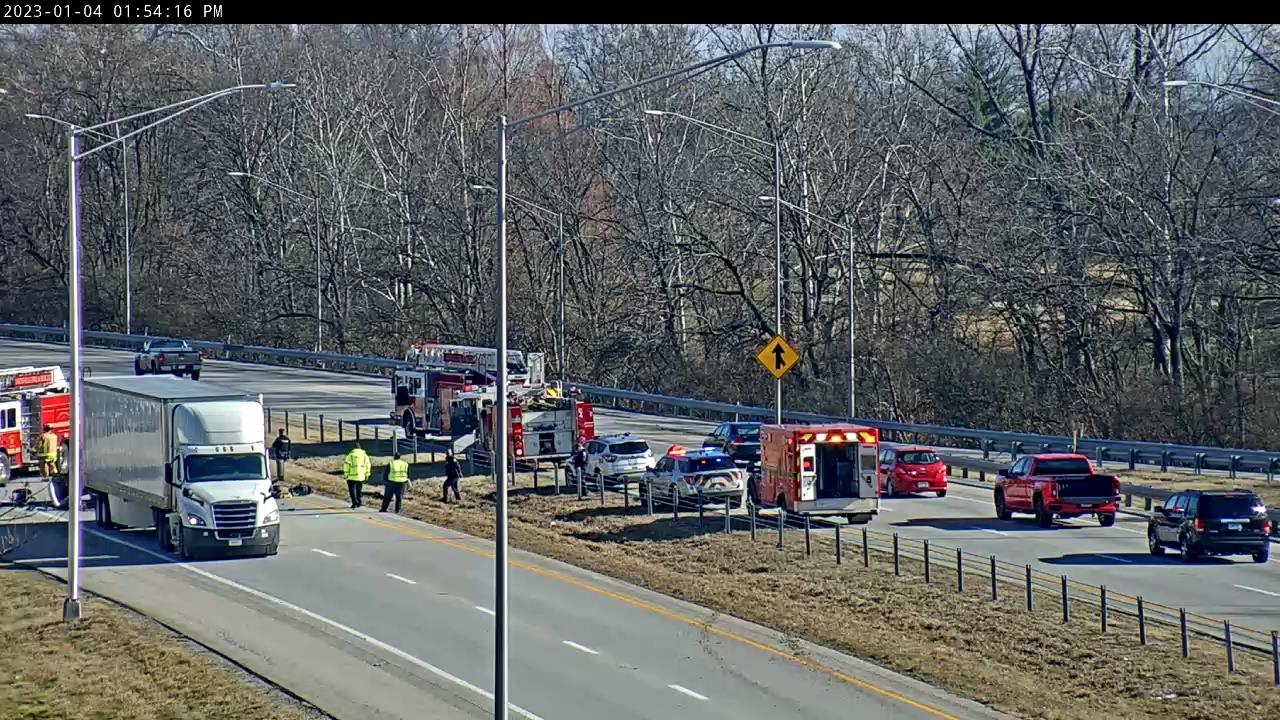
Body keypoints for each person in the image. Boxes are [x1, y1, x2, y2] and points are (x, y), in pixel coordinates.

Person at [342, 442, 371, 508]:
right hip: (361, 476)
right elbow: (368, 465)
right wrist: (367, 474)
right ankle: (359, 502)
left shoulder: (350, 455)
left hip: (351, 476)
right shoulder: (364, 455)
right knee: (359, 490)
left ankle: (354, 502)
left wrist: (346, 474)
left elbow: (346, 465)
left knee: (352, 490)